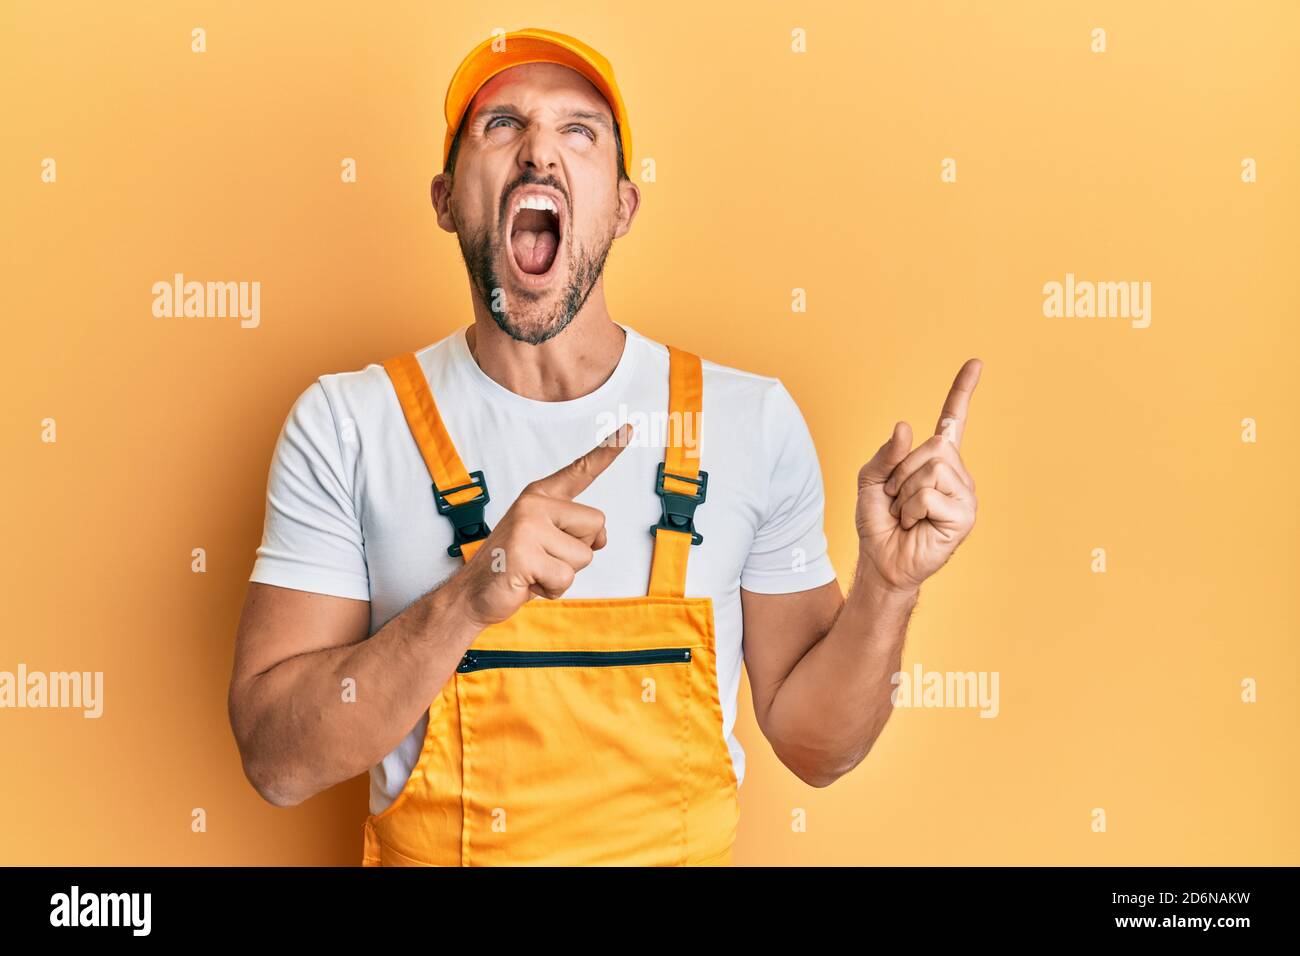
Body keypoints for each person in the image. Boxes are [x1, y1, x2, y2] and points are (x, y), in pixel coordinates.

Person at [228, 27, 982, 866]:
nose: (539, 155)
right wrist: (472, 596)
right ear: (446, 199)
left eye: (578, 130)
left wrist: (887, 591)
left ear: (623, 205)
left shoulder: (748, 422)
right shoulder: (348, 424)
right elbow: (276, 761)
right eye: (501, 125)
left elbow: (817, 748)